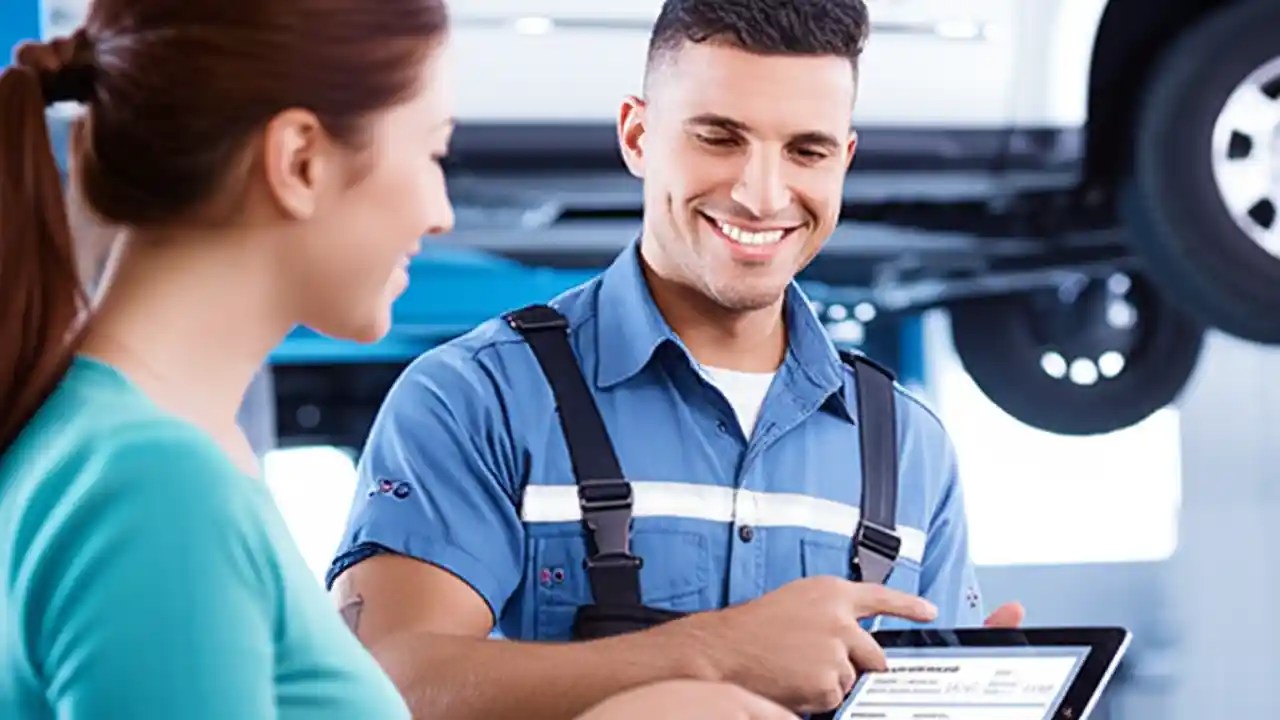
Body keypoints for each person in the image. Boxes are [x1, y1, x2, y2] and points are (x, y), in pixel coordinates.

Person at [0, 4, 788, 719]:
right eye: (432, 152)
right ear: (300, 161)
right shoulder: (160, 485)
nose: (439, 212)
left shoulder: (114, 438)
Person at [327, 0, 1025, 718]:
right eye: (719, 138)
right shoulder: (477, 399)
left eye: (806, 151)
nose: (762, 195)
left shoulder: (909, 445)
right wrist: (717, 653)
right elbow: (384, 688)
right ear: (637, 136)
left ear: (843, 161)